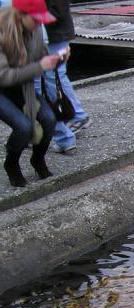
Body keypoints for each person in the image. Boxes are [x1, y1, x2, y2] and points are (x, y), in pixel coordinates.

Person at [0, 0, 61, 187]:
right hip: (3, 87)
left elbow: (40, 56)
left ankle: (38, 159)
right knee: (24, 127)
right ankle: (11, 164)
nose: (39, 24)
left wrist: (56, 58)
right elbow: (4, 76)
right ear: (21, 15)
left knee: (49, 119)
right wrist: (39, 66)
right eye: (36, 20)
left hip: (21, 86)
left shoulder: (35, 29)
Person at [43, 0, 90, 154]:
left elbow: (57, 9)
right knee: (55, 77)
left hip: (53, 33)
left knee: (52, 79)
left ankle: (75, 117)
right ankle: (76, 116)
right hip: (55, 32)